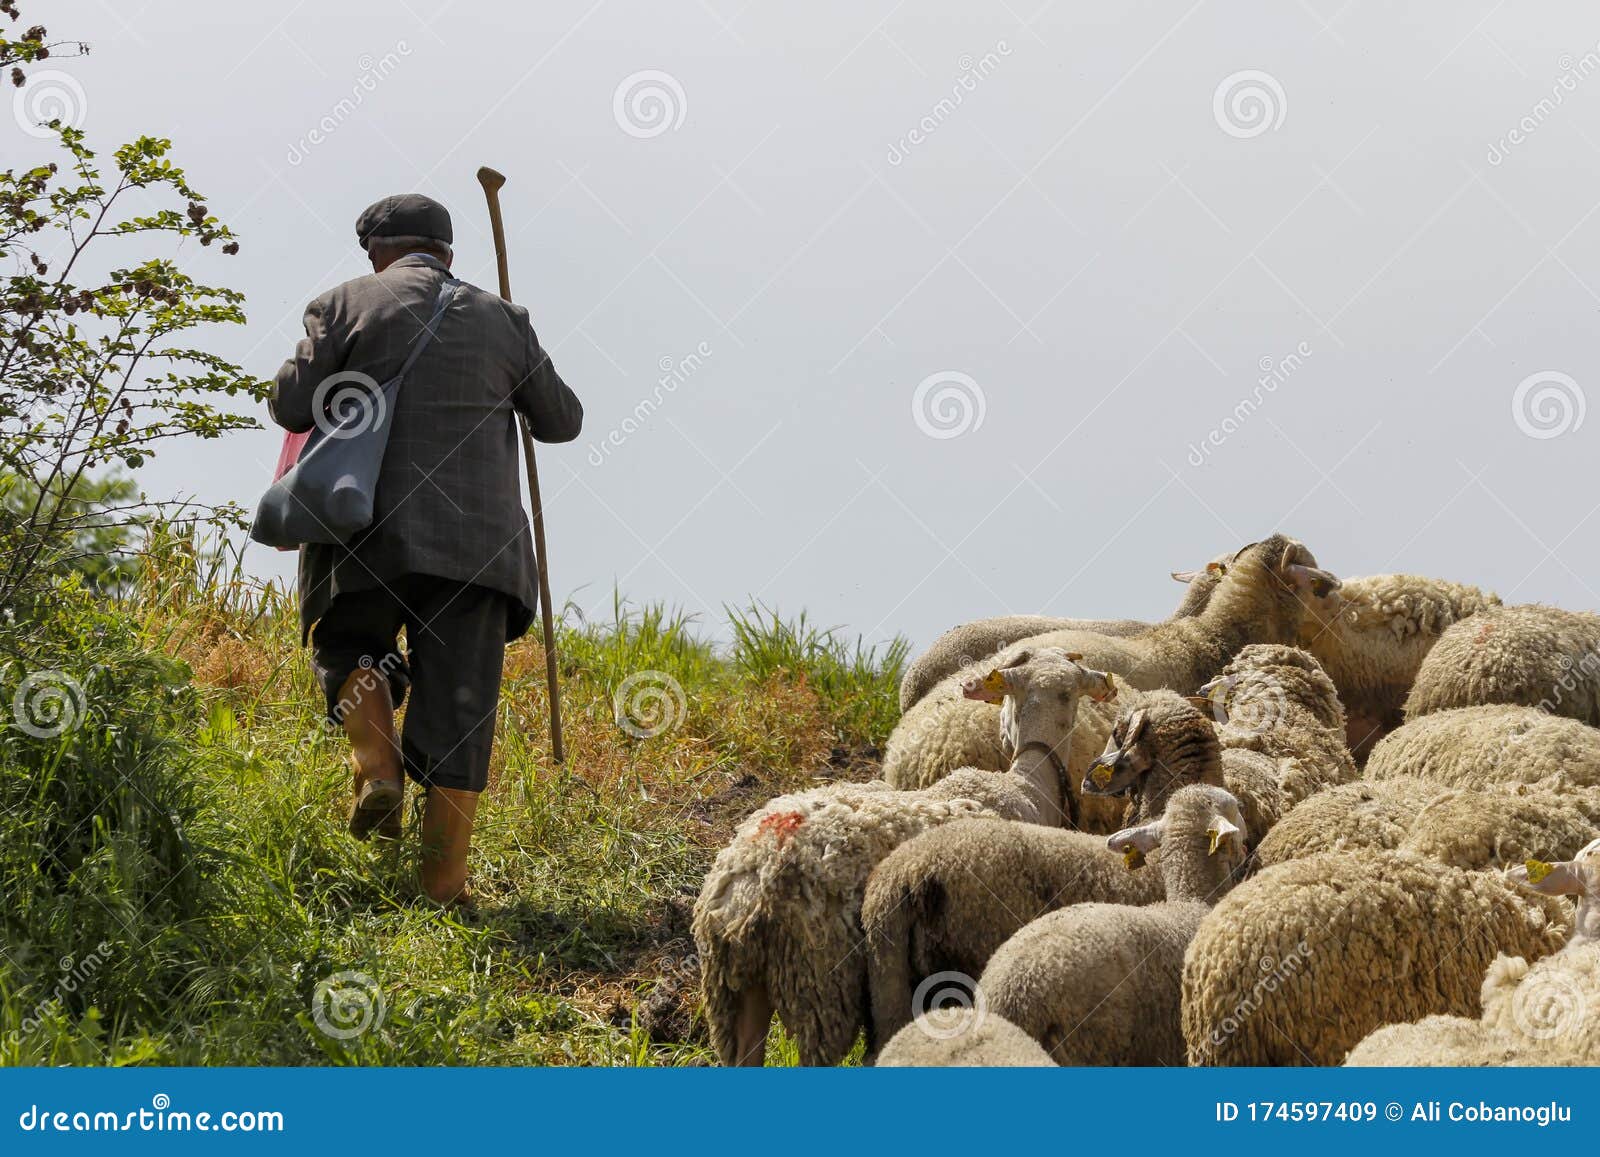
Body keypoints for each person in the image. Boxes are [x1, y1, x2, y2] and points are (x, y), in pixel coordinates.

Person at [269, 193, 582, 905]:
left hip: (363, 526)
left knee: (350, 641)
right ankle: (443, 886)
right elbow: (562, 420)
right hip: (479, 550)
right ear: (446, 254)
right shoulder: (504, 319)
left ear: (378, 250)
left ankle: (378, 766)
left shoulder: (342, 304)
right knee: (460, 709)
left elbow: (291, 403)